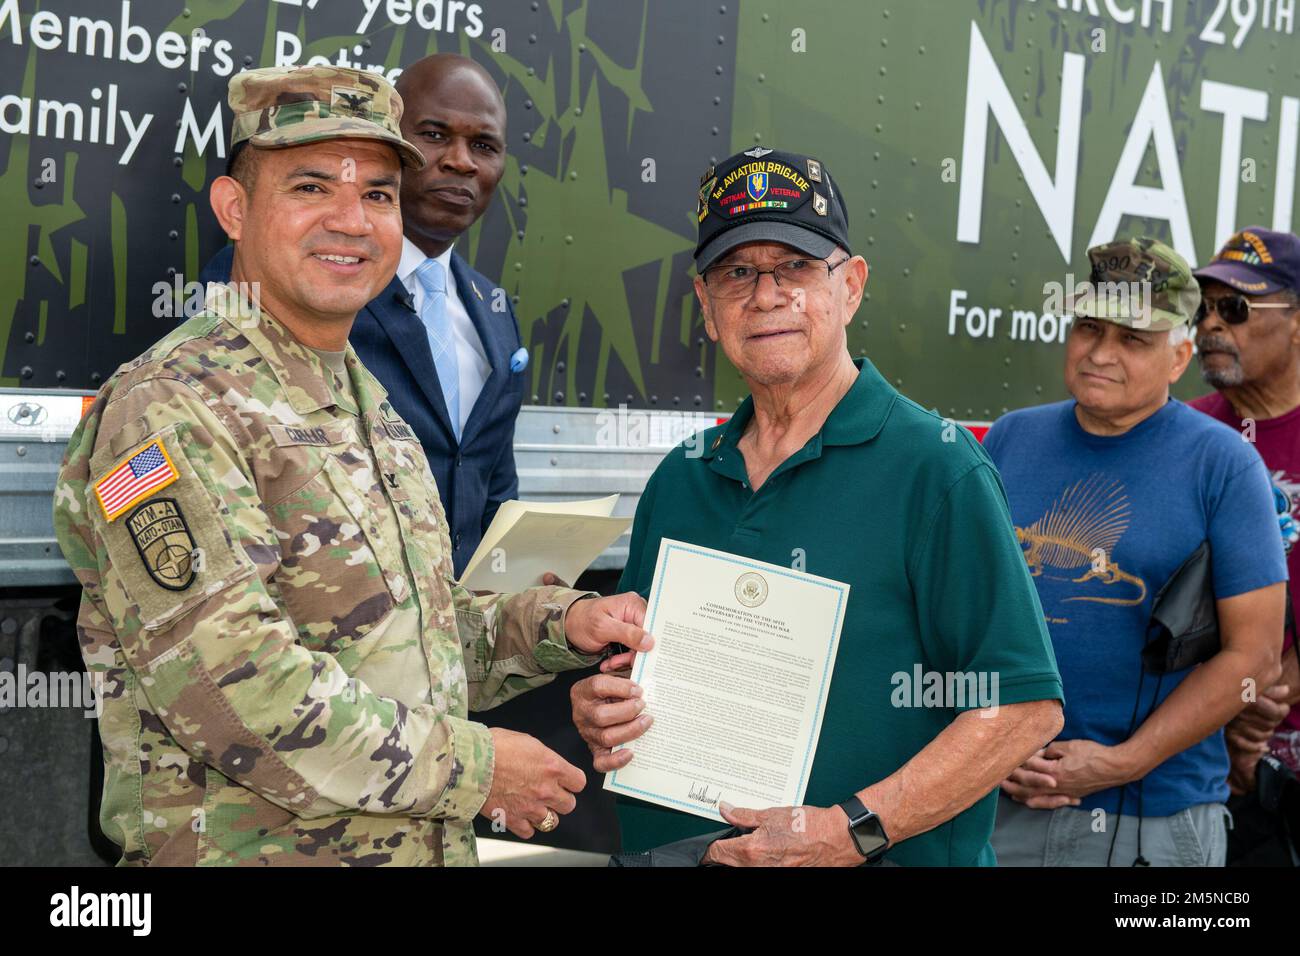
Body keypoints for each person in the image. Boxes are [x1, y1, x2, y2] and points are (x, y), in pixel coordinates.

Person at [53, 65, 649, 867]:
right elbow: (236, 691)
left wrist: (556, 627)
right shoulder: (168, 406)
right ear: (235, 209)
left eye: (377, 194)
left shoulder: (367, 405)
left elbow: (417, 643)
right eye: (309, 187)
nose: (351, 221)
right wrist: (478, 770)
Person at [569, 146, 1065, 866]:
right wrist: (606, 711)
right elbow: (636, 675)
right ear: (706, 307)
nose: (766, 296)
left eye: (797, 267)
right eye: (737, 273)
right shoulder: (680, 478)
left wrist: (853, 830)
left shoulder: (937, 468)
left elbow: (1021, 707)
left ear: (851, 286)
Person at [986, 237, 1288, 866]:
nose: (1101, 354)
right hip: (1002, 802)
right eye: (1089, 328)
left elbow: (1255, 654)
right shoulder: (1012, 438)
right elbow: (962, 613)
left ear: (1180, 356)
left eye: (1133, 339)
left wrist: (1123, 762)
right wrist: (992, 740)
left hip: (1157, 819)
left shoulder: (1226, 465)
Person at [201, 53, 524, 576]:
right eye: (436, 134)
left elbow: (490, 481)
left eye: (483, 145)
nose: (462, 161)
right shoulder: (287, 282)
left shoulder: (494, 312)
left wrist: (532, 609)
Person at [1188, 227, 1300, 863]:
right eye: (1204, 306)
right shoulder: (1189, 433)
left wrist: (1272, 688)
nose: (1210, 324)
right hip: (1209, 767)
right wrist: (1236, 699)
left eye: (1235, 308)